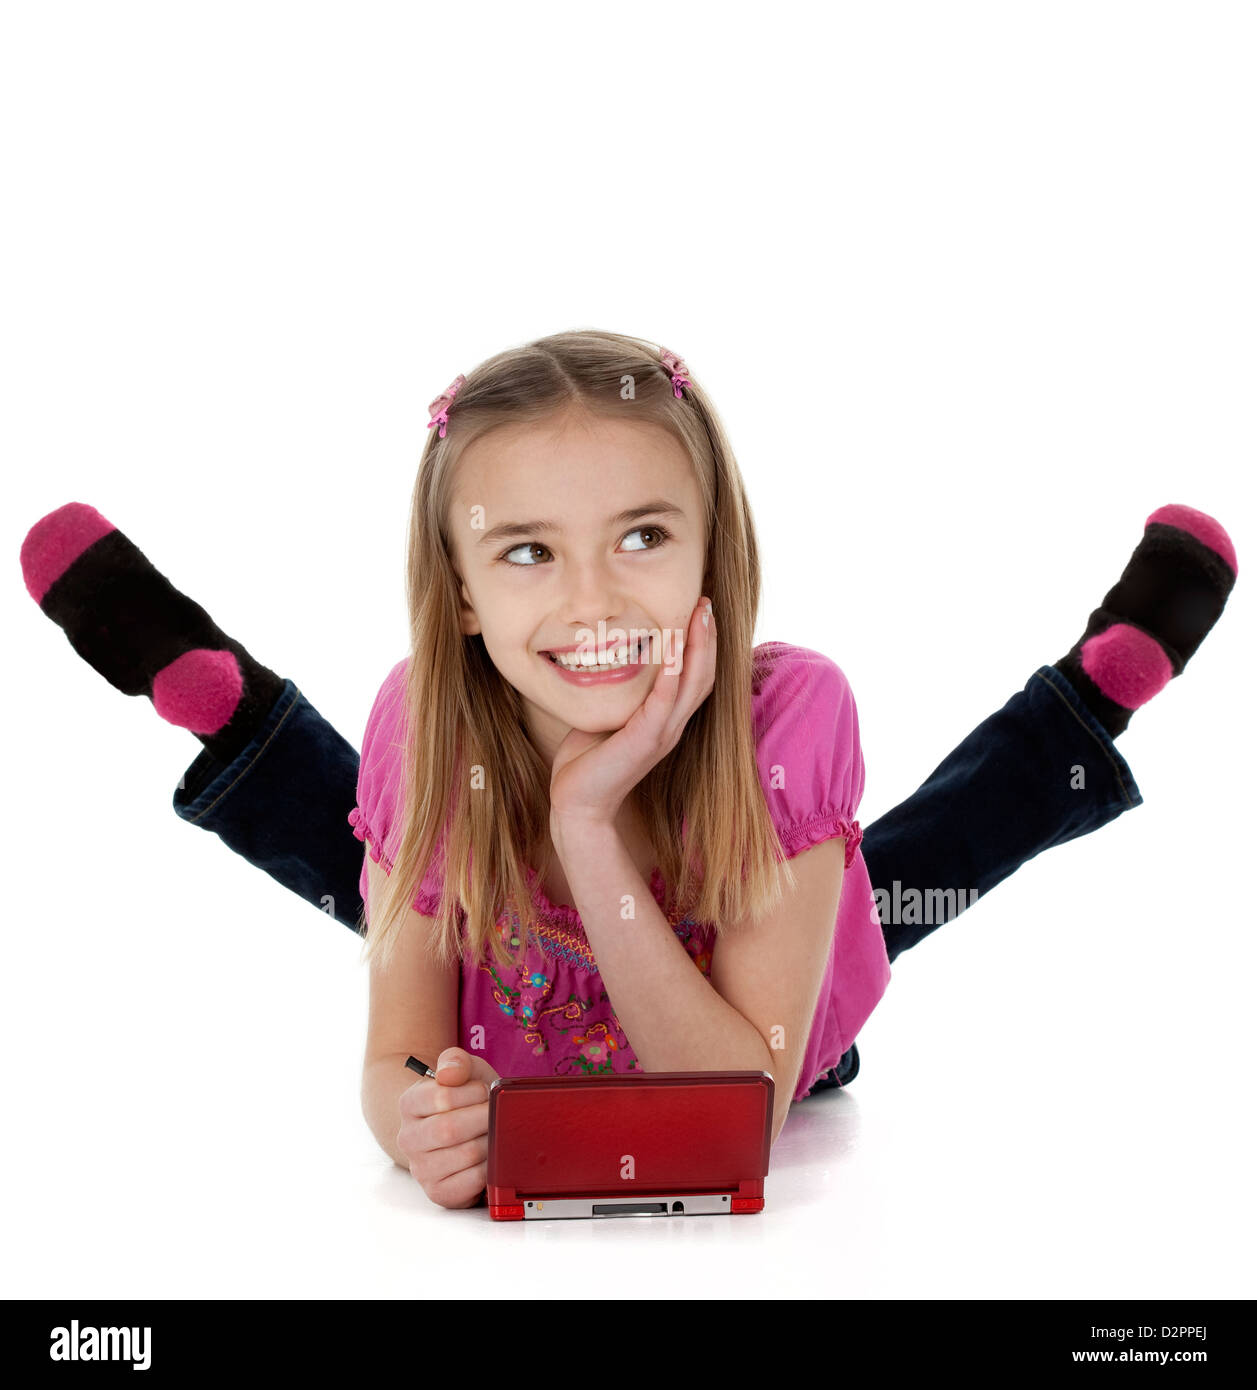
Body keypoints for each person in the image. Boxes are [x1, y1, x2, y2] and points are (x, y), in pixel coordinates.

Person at [20, 329, 1238, 1212]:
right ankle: (224, 708)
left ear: (715, 546)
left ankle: (1089, 699)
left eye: (644, 537)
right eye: (530, 551)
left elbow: (736, 1117)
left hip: (763, 1019)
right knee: (397, 870)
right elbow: (398, 1050)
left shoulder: (790, 719)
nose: (593, 598)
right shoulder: (426, 724)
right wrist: (419, 1121)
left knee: (911, 875)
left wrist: (590, 825)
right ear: (461, 593)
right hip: (508, 965)